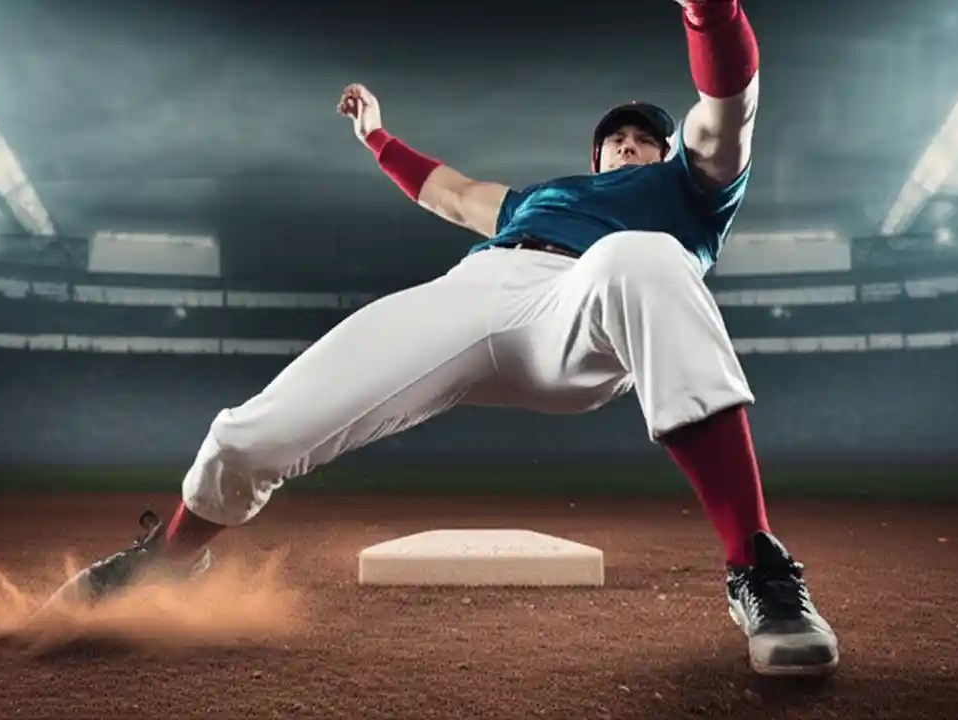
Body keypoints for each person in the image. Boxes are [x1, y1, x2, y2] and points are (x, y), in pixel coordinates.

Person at [54, 0, 839, 676]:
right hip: (475, 290)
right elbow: (453, 193)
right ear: (594, 154)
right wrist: (377, 138)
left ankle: (757, 568)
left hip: (583, 311)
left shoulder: (690, 187)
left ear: (664, 153)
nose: (630, 145)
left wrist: (708, 10)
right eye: (617, 139)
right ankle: (171, 560)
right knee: (252, 432)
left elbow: (728, 104)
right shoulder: (536, 199)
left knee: (642, 254)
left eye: (645, 139)